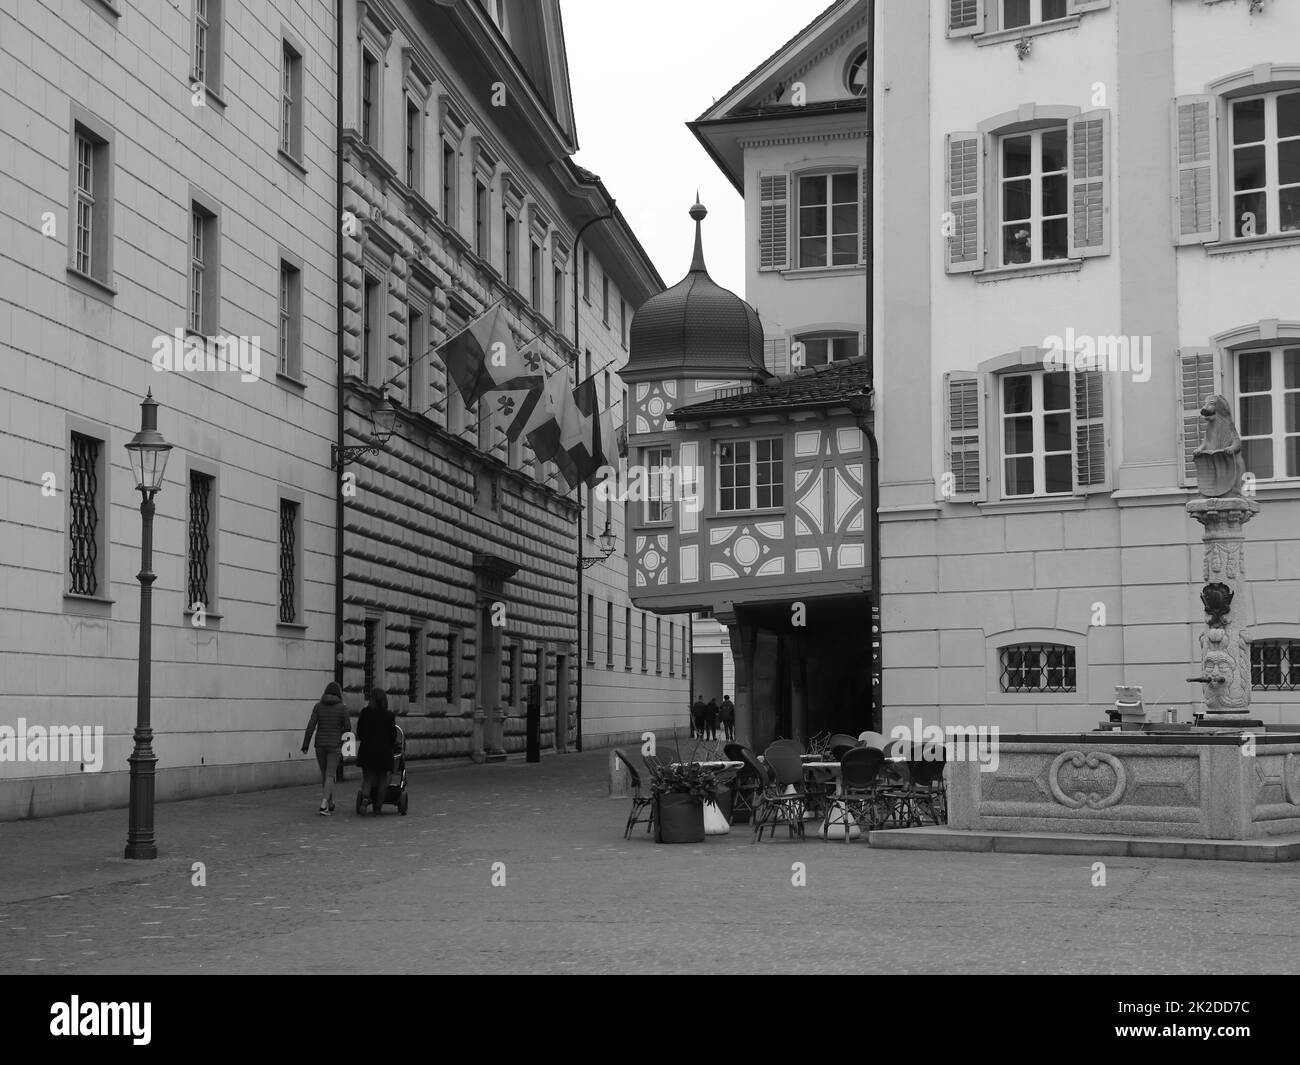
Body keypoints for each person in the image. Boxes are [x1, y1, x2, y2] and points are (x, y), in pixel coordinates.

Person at [301, 681, 351, 816]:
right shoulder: (342, 708)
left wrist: (305, 745)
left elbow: (311, 726)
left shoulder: (318, 706)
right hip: (334, 746)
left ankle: (330, 802)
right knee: (330, 775)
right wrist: (348, 749)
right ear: (339, 693)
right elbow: (348, 728)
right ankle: (324, 804)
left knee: (325, 775)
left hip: (320, 745)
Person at [356, 689, 397, 816]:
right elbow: (393, 736)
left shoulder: (365, 713)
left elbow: (360, 732)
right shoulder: (389, 716)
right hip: (383, 753)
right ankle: (378, 807)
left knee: (367, 779)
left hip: (367, 751)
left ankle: (365, 799)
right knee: (382, 781)